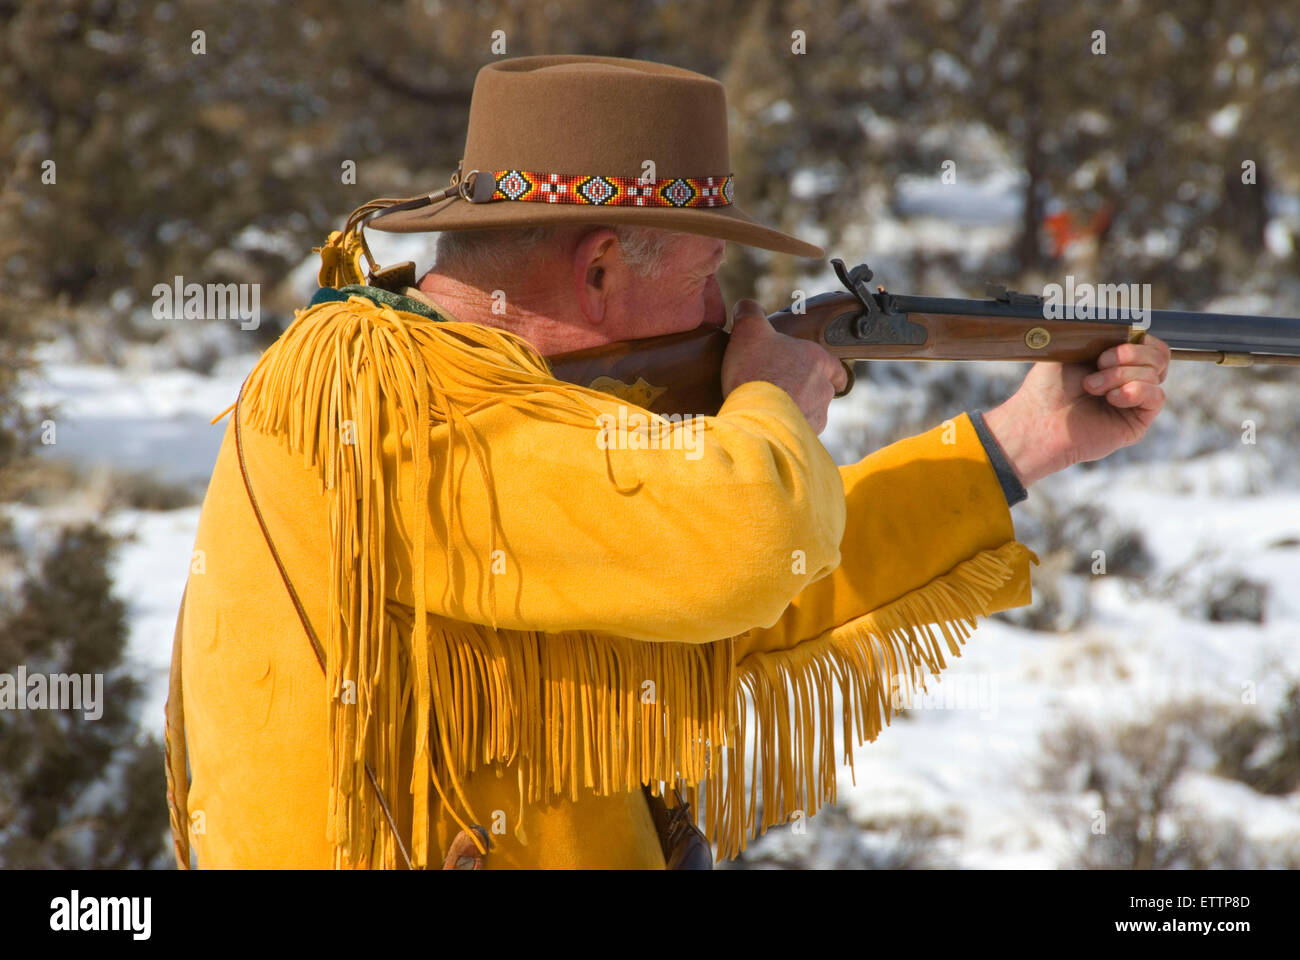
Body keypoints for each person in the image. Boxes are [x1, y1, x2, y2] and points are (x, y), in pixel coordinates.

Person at [165, 55, 1169, 870]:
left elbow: (750, 591)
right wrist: (770, 398)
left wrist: (1023, 439)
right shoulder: (383, 401)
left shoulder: (475, 394)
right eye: (706, 276)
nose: (719, 313)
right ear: (600, 267)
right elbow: (747, 544)